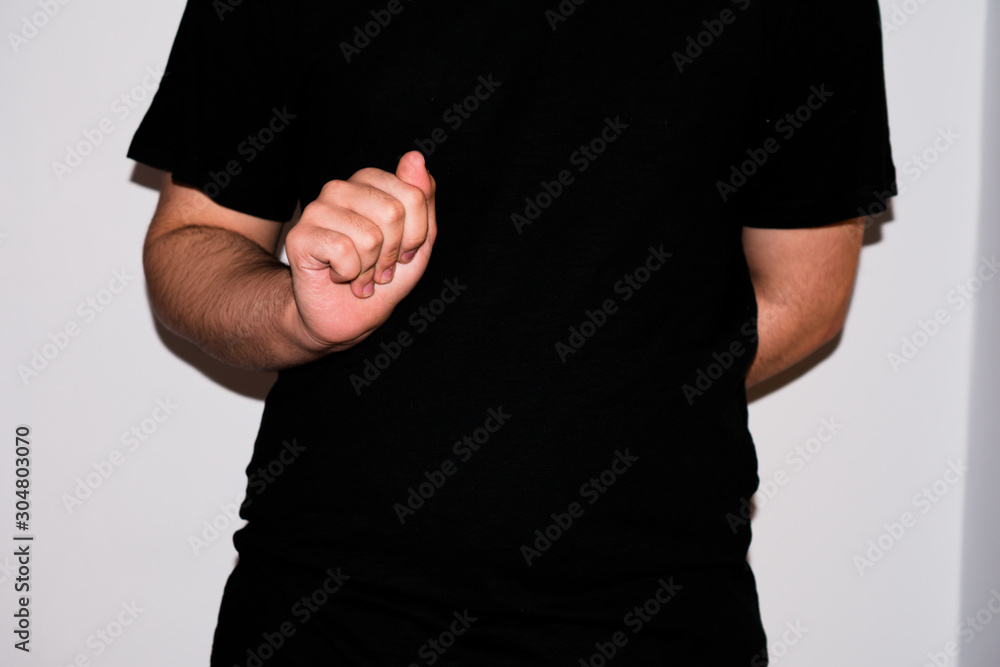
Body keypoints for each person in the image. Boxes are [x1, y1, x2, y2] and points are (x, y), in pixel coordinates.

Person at [128, 0, 896, 664]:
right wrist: (297, 316)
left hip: (661, 615)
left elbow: (806, 294)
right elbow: (190, 243)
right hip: (329, 611)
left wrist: (625, 383)